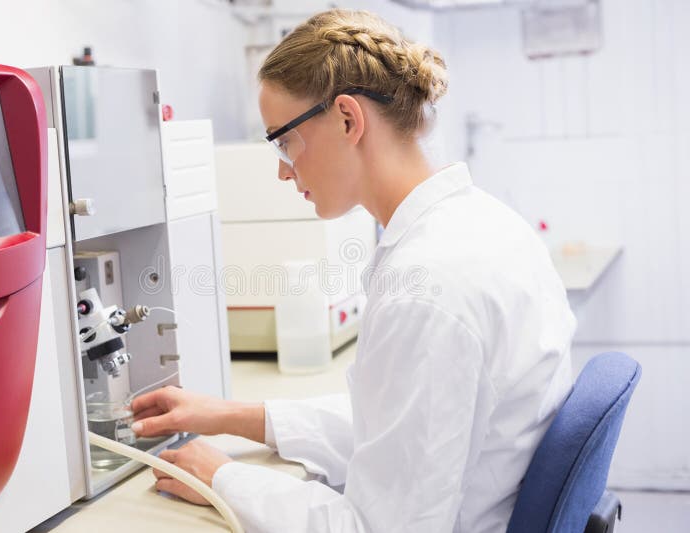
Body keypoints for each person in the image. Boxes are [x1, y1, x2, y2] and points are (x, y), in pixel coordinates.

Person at [131, 8, 576, 532]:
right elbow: (394, 428)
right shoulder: (481, 224)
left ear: (347, 119)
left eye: (283, 140)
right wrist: (233, 416)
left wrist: (224, 477)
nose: (280, 168)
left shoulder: (431, 286)